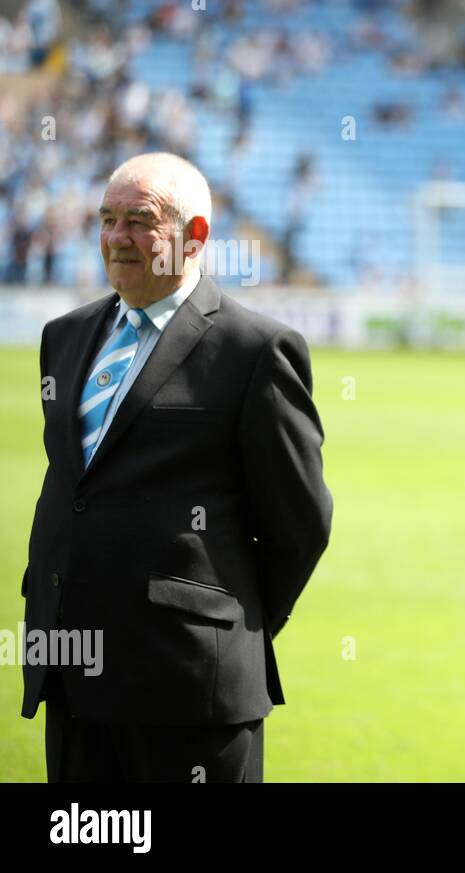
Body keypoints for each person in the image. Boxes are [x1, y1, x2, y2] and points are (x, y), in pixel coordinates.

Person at [21, 153, 332, 782]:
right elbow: (74, 488)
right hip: (70, 667)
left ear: (194, 238)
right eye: (107, 219)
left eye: (140, 220)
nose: (116, 237)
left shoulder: (255, 350)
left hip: (190, 687)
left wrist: (221, 618)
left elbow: (300, 522)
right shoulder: (65, 336)